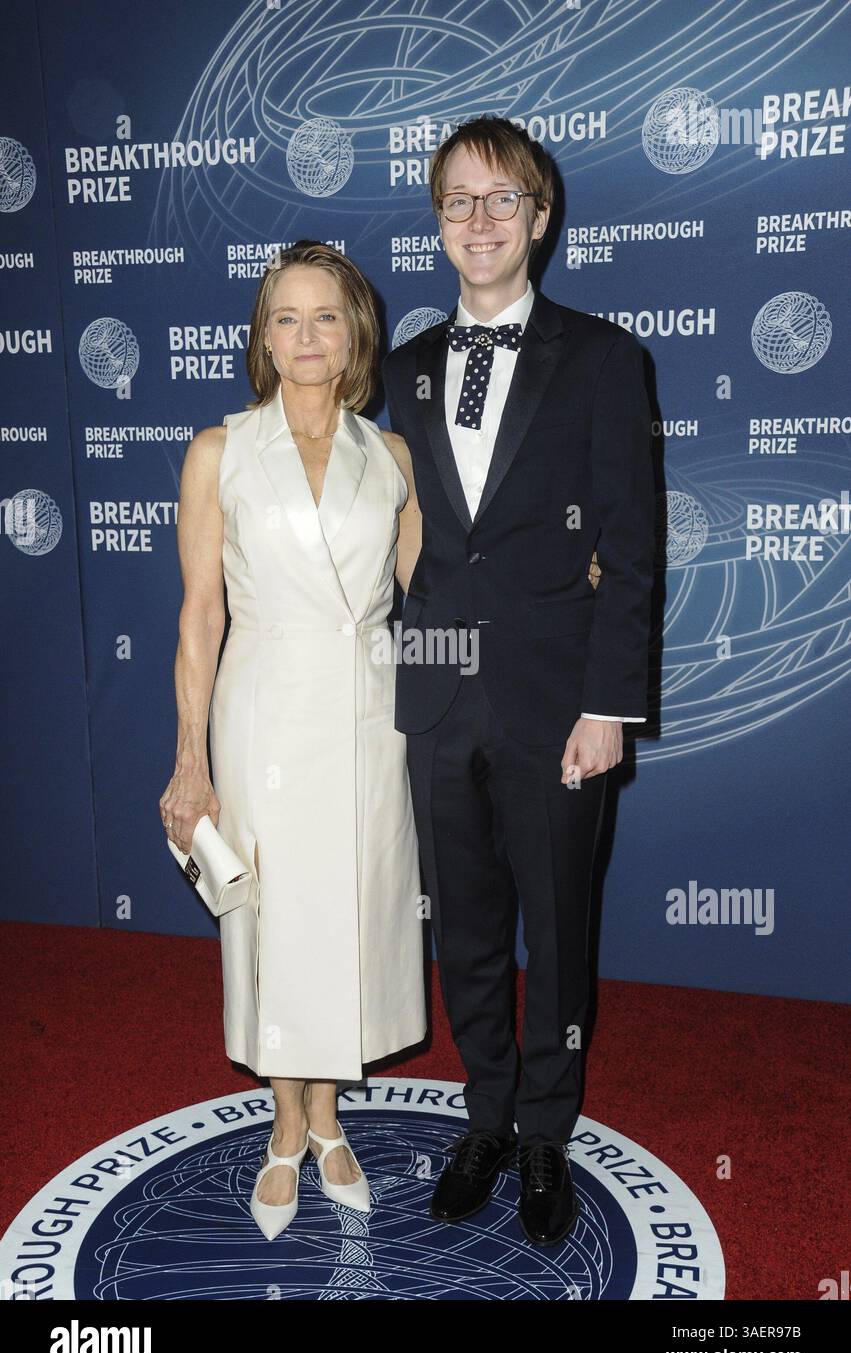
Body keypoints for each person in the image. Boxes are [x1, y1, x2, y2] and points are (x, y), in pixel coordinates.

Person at [381, 116, 655, 1246]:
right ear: (437, 222)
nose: (479, 221)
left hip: (558, 703)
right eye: (458, 201)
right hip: (437, 691)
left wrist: (607, 704)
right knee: (469, 929)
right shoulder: (398, 370)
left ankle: (546, 1129)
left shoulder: (602, 357)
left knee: (559, 925)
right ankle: (483, 1111)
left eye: (502, 201)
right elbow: (392, 536)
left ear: (539, 219)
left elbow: (632, 544)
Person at [159, 241, 427, 1240]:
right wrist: (191, 756)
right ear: (261, 336)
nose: (306, 337)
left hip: (365, 712)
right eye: (286, 317)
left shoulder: (389, 458)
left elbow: (435, 597)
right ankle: (284, 1124)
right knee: (272, 919)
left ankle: (328, 1116)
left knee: (348, 912)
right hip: (262, 706)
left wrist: (547, 591)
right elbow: (198, 616)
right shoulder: (218, 451)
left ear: (354, 331)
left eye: (326, 317)